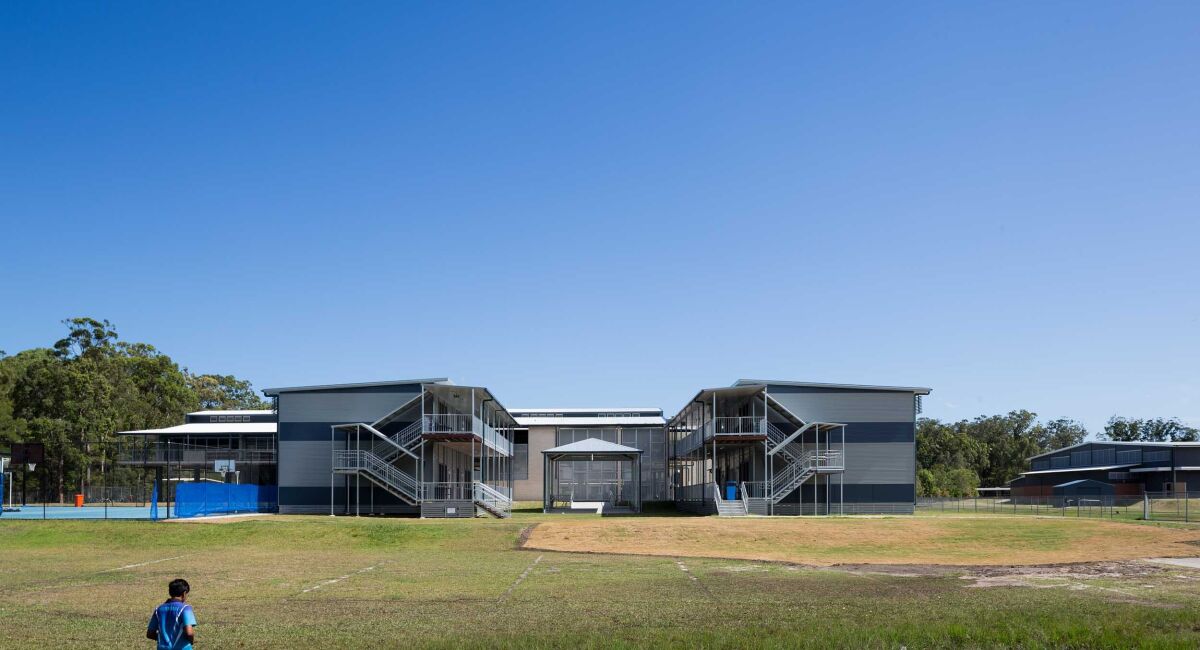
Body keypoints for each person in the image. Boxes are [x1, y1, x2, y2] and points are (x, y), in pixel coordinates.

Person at [146, 578, 197, 650]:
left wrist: (163, 639)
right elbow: (189, 633)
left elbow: (150, 634)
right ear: (184, 593)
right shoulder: (185, 608)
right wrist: (191, 641)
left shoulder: (158, 609)